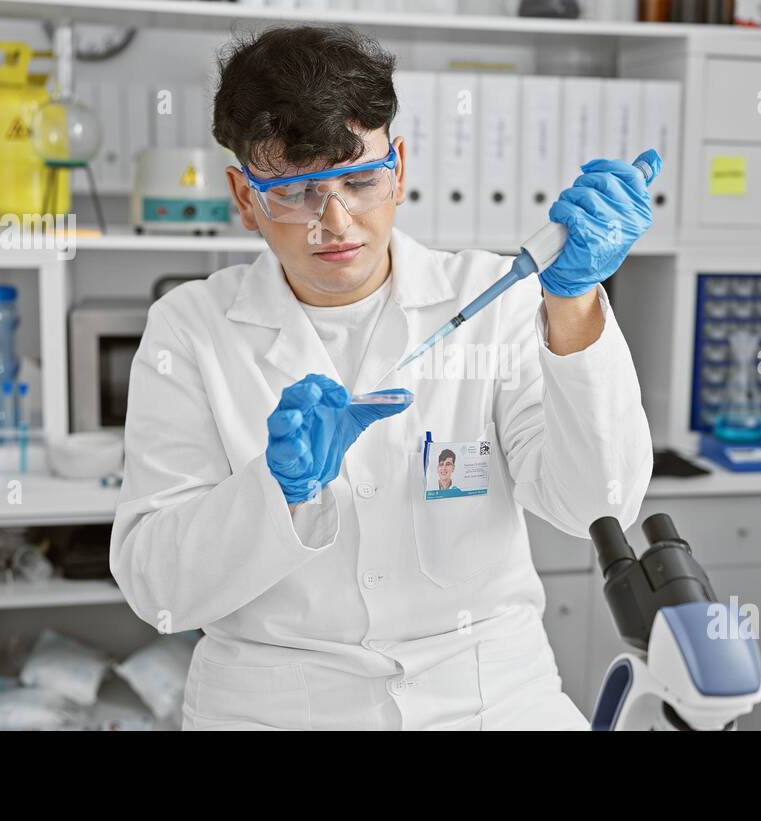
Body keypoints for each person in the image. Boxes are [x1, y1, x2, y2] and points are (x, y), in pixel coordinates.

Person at [110, 25, 654, 730]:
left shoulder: (494, 298)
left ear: (397, 167)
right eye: (296, 193)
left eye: (360, 180)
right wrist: (280, 489)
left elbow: (597, 505)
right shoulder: (189, 328)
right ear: (244, 198)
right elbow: (159, 590)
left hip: (492, 697)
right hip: (279, 707)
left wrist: (574, 304)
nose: (335, 222)